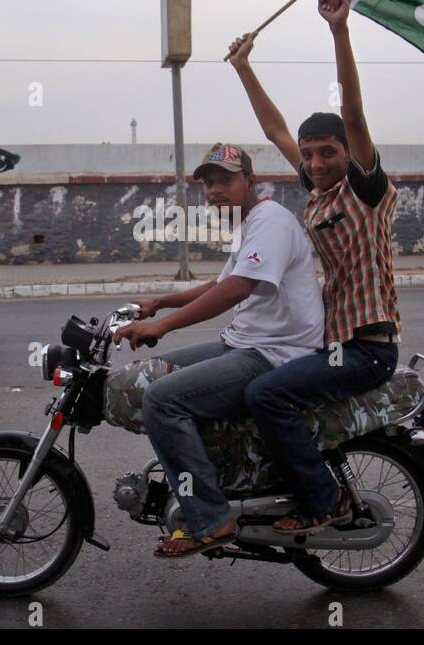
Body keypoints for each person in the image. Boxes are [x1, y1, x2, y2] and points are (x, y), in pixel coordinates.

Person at [226, 0, 402, 534]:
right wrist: (243, 68)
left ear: (348, 151)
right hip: (333, 341)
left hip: (367, 348)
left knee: (265, 393)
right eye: (309, 154)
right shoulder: (319, 191)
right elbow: (276, 131)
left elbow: (353, 110)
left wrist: (339, 31)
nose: (316, 162)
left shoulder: (365, 189)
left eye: (328, 151)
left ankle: (326, 503)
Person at [112, 143, 324, 558]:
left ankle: (211, 517)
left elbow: (237, 288)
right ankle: (213, 474)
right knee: (154, 371)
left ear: (249, 180)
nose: (215, 191)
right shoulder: (250, 224)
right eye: (209, 184)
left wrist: (163, 325)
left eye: (225, 180)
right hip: (244, 342)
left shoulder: (271, 221)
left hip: (274, 353)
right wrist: (159, 303)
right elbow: (218, 282)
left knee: (161, 400)